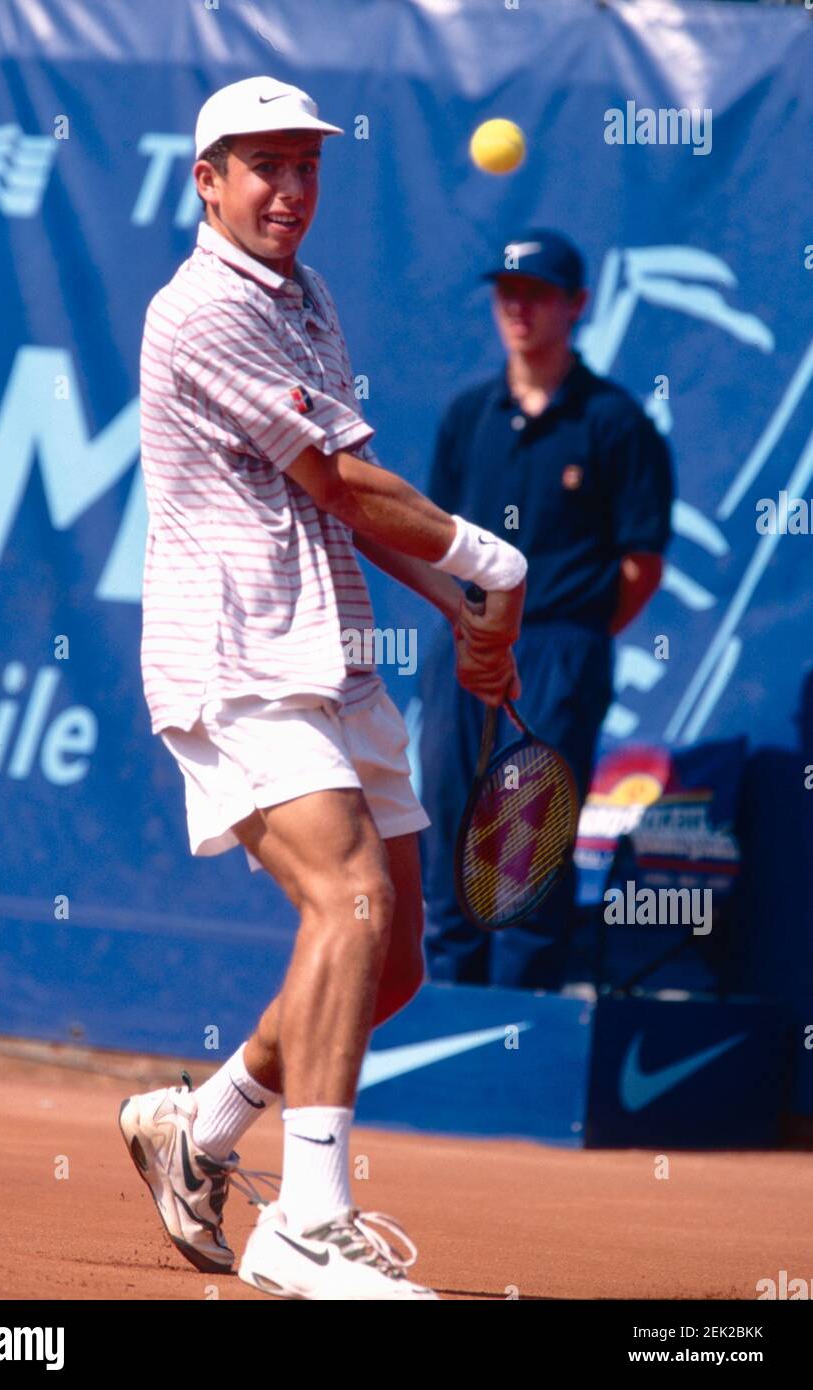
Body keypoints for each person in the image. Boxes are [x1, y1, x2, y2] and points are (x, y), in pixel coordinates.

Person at [120, 75, 528, 1301]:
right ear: (208, 181)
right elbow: (350, 483)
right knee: (346, 897)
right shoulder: (200, 308)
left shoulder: (308, 301)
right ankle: (306, 1222)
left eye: (306, 166)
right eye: (263, 166)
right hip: (233, 658)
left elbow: (326, 498)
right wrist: (485, 559)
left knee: (389, 957)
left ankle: (195, 1130)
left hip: (328, 651)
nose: (291, 189)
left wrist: (458, 606)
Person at [419, 229, 674, 989]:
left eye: (537, 294)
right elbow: (435, 537)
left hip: (560, 653)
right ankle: (443, 1054)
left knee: (524, 859)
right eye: (506, 293)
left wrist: (569, 640)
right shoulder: (470, 414)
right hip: (465, 652)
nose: (518, 308)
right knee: (450, 845)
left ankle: (518, 1057)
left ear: (578, 306)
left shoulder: (616, 423)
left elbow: (640, 565)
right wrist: (478, 636)